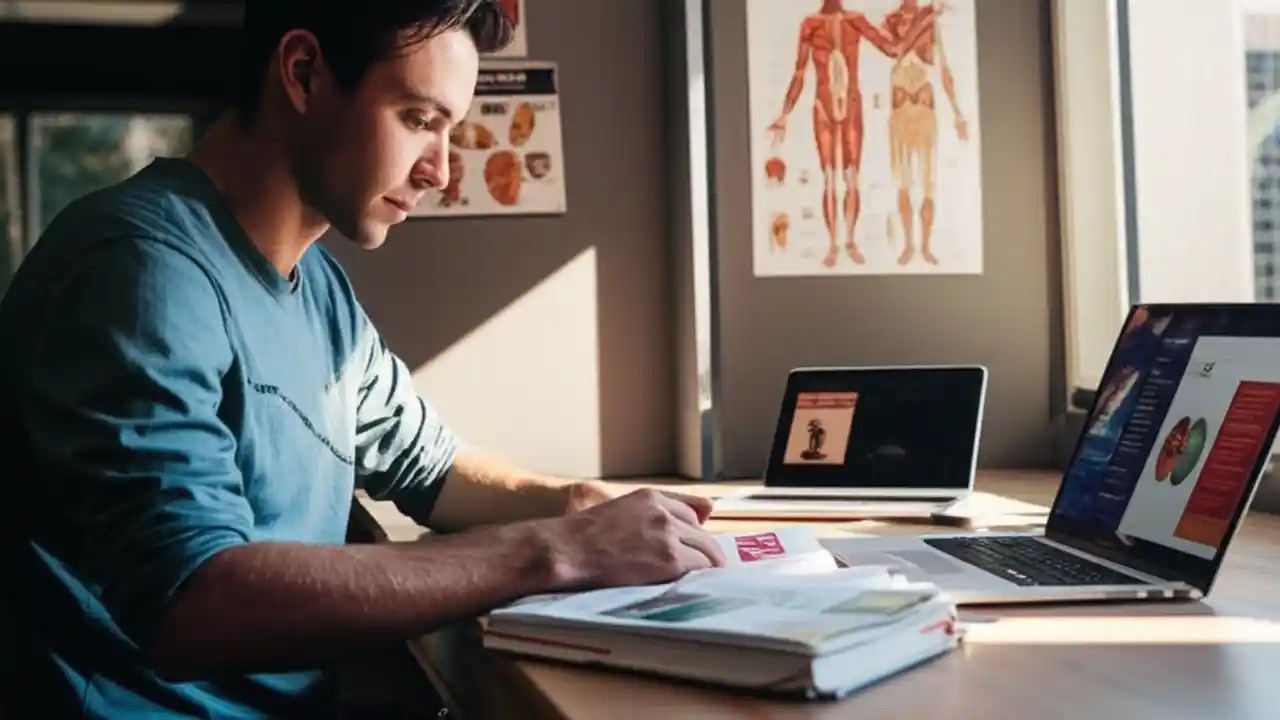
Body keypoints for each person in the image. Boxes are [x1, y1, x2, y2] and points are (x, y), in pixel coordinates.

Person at [0, 1, 725, 716]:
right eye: (419, 120)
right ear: (305, 73)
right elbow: (192, 604)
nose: (440, 171)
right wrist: (555, 550)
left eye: (453, 129)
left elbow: (430, 465)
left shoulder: (319, 290)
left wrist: (584, 506)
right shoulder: (138, 271)